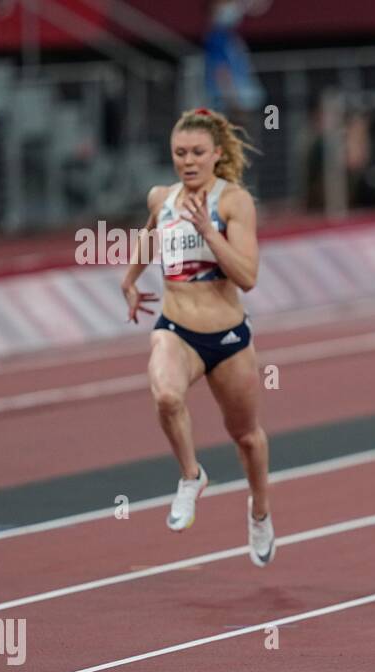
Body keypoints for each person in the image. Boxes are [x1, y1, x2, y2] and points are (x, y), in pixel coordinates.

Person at [120, 107, 276, 567]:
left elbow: (248, 277)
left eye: (197, 153)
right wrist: (129, 279)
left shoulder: (234, 203)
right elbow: (150, 236)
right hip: (177, 329)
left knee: (246, 436)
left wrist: (209, 230)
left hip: (227, 338)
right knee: (166, 396)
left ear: (217, 154)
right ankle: (192, 475)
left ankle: (260, 510)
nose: (188, 161)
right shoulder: (161, 197)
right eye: (179, 153)